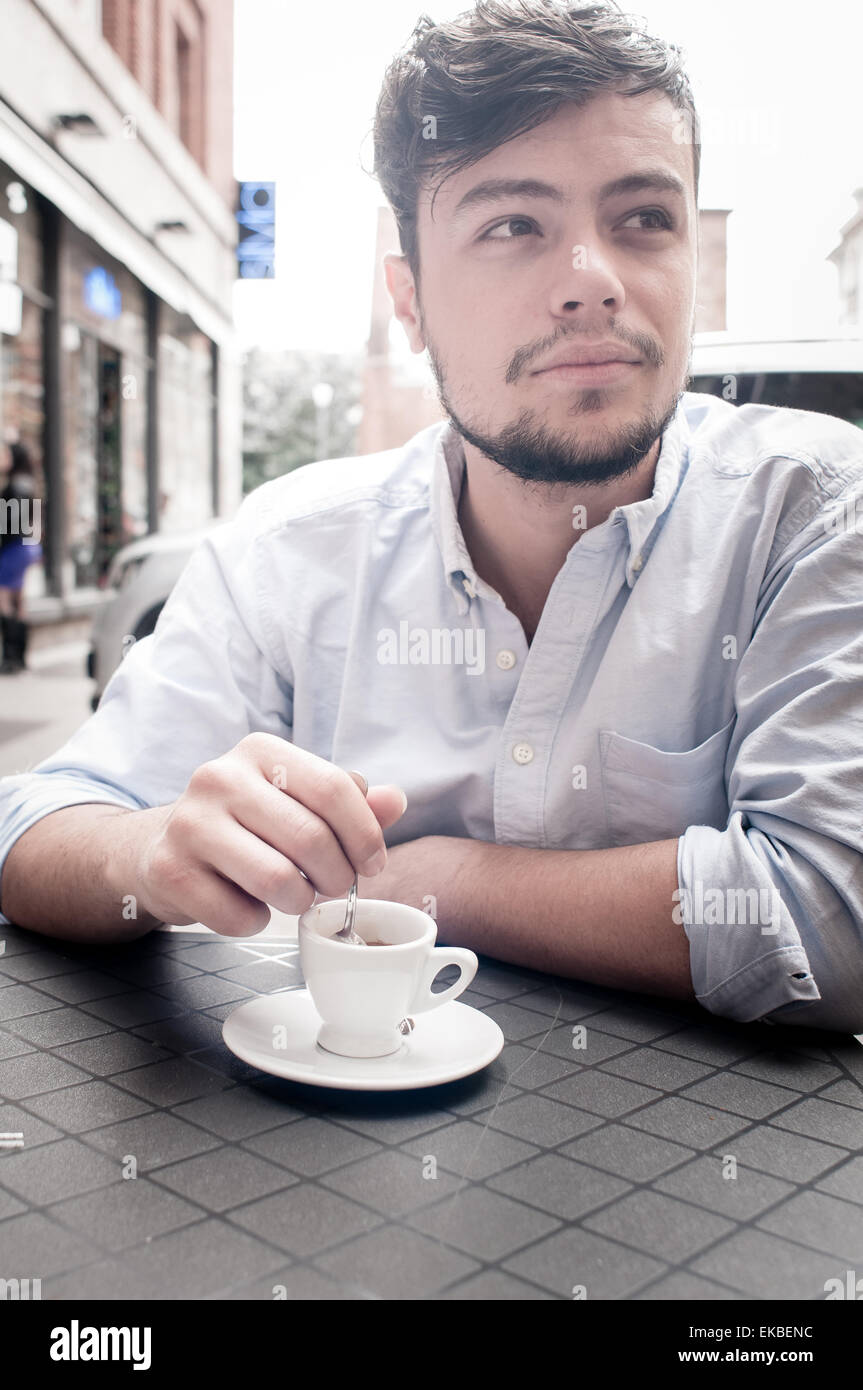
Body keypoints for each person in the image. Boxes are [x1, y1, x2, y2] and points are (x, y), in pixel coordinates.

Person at [0, 0, 861, 1033]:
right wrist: (151, 852)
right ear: (406, 302)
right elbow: (33, 829)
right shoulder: (289, 554)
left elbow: (828, 917)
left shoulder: (809, 510)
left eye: (642, 218)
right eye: (512, 225)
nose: (589, 282)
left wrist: (432, 877)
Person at [0, 442, 42, 674]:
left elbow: (9, 525)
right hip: (27, 547)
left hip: (14, 547)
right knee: (20, 601)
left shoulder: (13, 487)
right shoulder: (30, 484)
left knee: (5, 600)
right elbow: (34, 523)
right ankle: (21, 656)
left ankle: (11, 655)